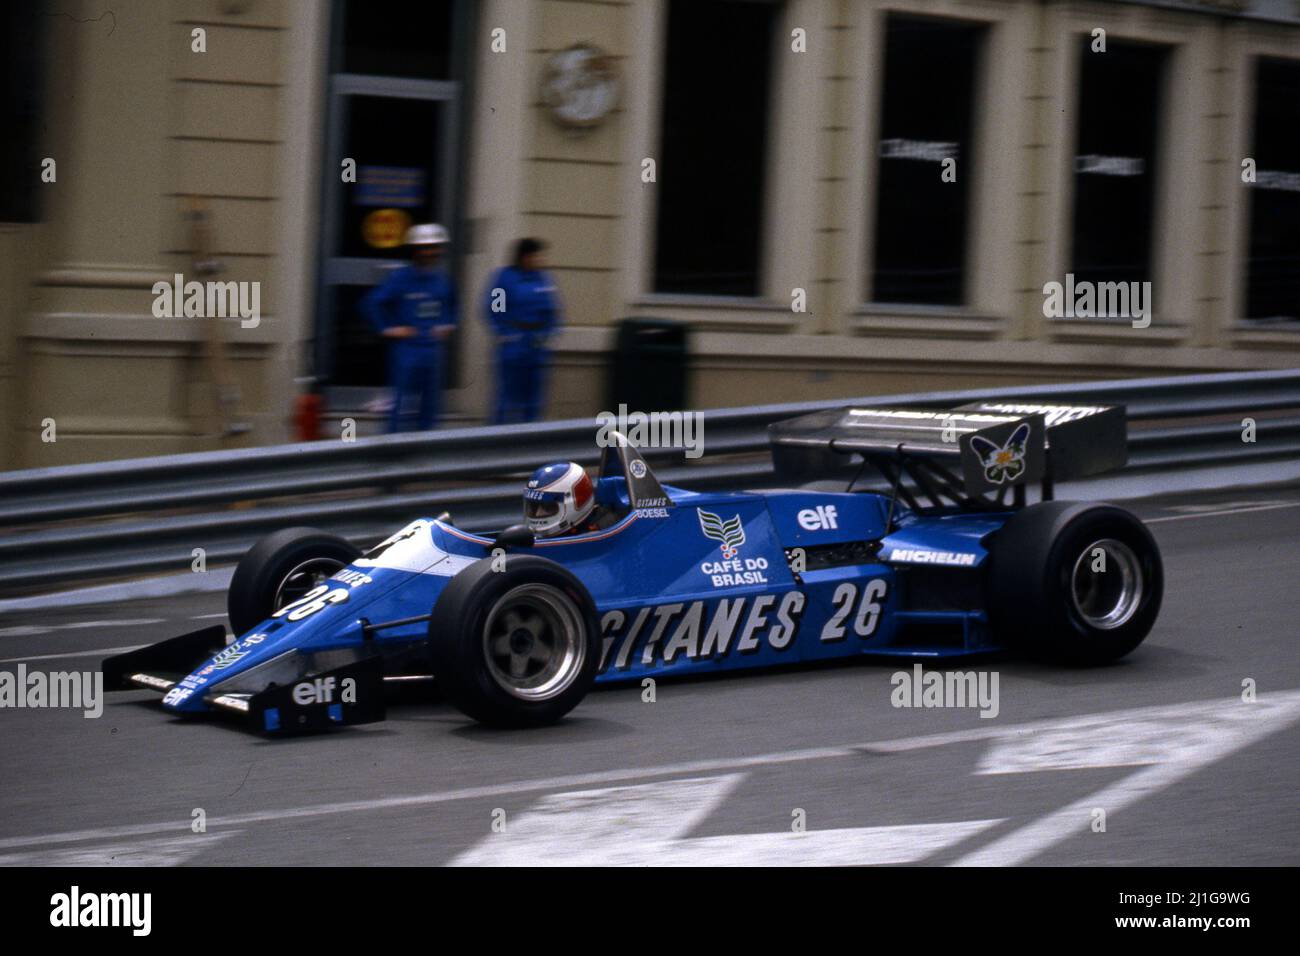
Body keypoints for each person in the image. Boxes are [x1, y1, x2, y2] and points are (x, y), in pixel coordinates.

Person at [363, 224, 458, 433]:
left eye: (435, 247)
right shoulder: (400, 278)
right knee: (400, 402)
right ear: (415, 250)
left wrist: (448, 325)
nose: (430, 252)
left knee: (431, 403)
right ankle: (391, 453)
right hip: (407, 349)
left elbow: (452, 305)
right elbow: (372, 303)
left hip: (432, 349)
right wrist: (388, 329)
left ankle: (425, 451)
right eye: (425, 247)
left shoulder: (442, 280)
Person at [484, 238, 562, 424]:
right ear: (524, 257)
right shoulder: (505, 278)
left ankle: (529, 441)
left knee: (534, 398)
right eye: (536, 256)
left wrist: (549, 333)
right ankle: (497, 438)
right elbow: (495, 309)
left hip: (536, 344)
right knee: (507, 396)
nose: (540, 260)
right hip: (514, 343)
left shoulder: (544, 279)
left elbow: (553, 310)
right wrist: (504, 333)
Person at [522, 461, 619, 538]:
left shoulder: (606, 538)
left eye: (547, 507)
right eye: (534, 507)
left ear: (576, 503)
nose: (538, 514)